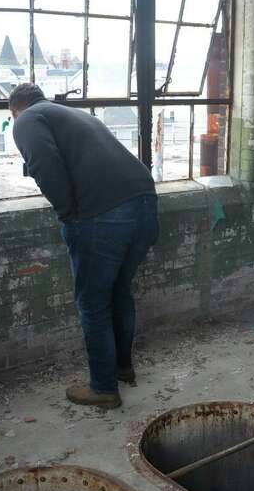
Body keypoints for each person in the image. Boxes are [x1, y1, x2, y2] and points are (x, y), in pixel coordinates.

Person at [9, 84, 159, 409]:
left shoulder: (26, 120)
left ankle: (103, 388)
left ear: (14, 110)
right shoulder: (74, 115)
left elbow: (44, 166)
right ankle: (122, 368)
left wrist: (69, 215)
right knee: (119, 291)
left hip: (104, 213)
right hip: (145, 202)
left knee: (93, 303)